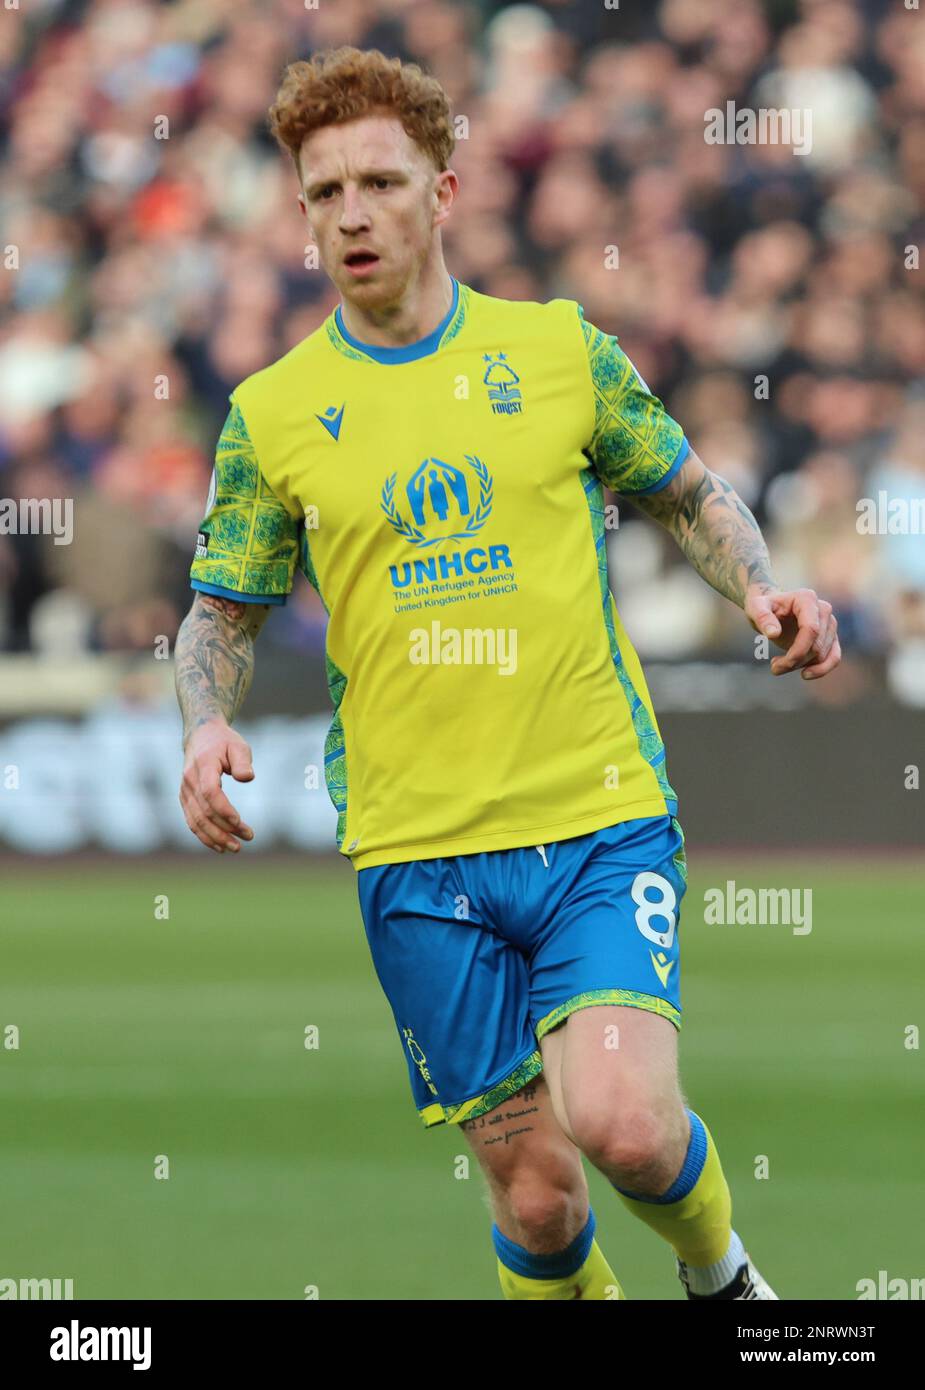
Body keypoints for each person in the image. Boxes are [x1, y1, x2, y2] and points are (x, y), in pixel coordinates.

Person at [174, 46, 841, 1301]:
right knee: (536, 1202)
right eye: (324, 193)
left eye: (379, 181)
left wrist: (760, 588)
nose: (352, 213)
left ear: (445, 190)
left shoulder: (556, 351)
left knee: (626, 1126)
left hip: (593, 812)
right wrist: (204, 722)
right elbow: (221, 609)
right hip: (414, 849)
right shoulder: (272, 411)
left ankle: (725, 1283)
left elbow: (689, 495)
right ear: (302, 214)